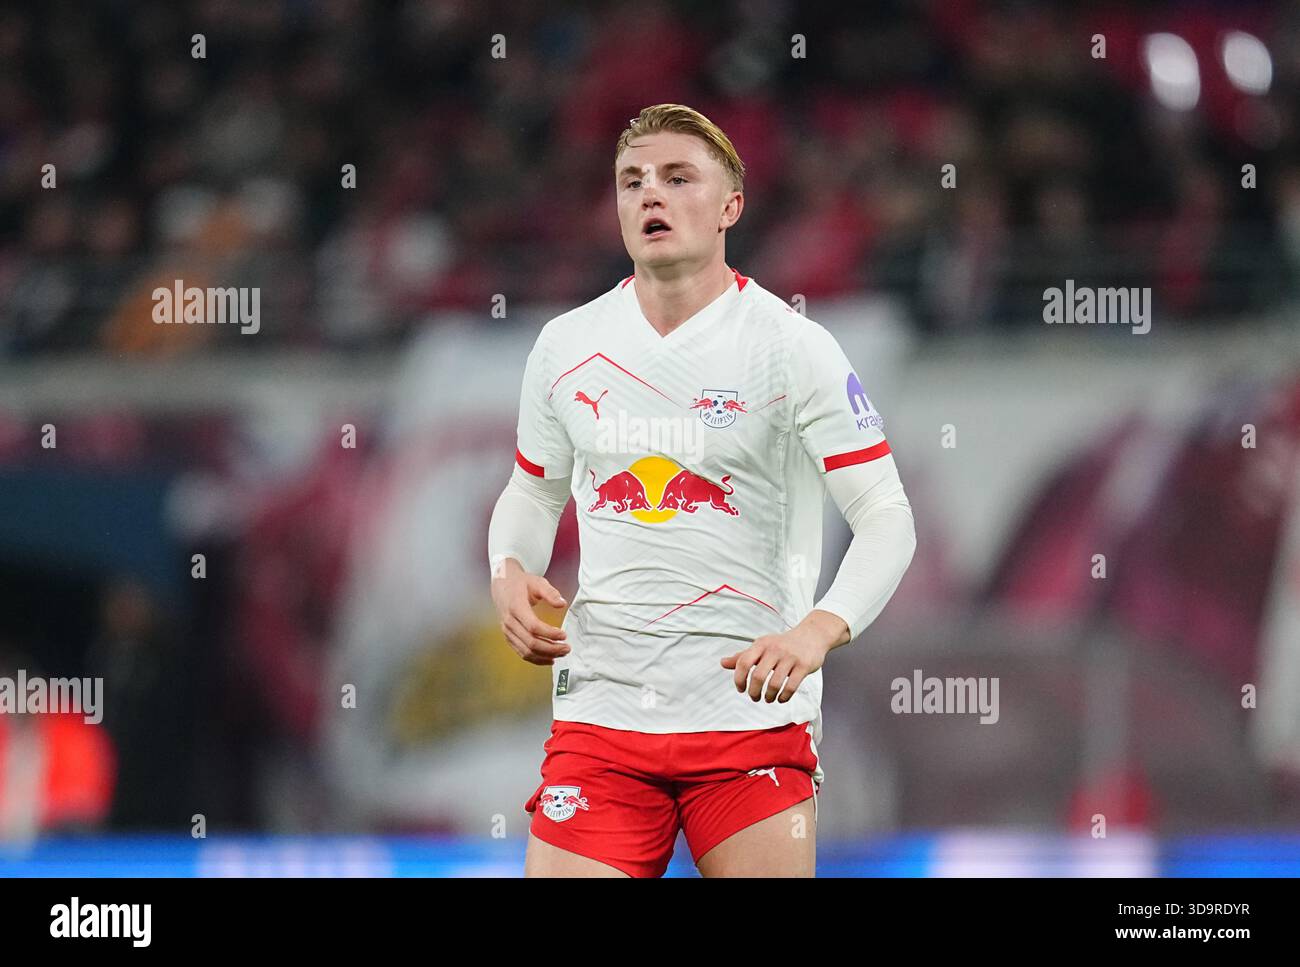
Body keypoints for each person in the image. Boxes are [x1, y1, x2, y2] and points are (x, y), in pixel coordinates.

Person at [488, 103, 916, 877]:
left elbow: (885, 515)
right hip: (601, 718)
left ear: (730, 208)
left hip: (748, 718)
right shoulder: (566, 345)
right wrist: (509, 569)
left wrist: (817, 631)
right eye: (632, 181)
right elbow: (531, 492)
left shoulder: (792, 348)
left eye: (677, 177)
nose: (650, 194)